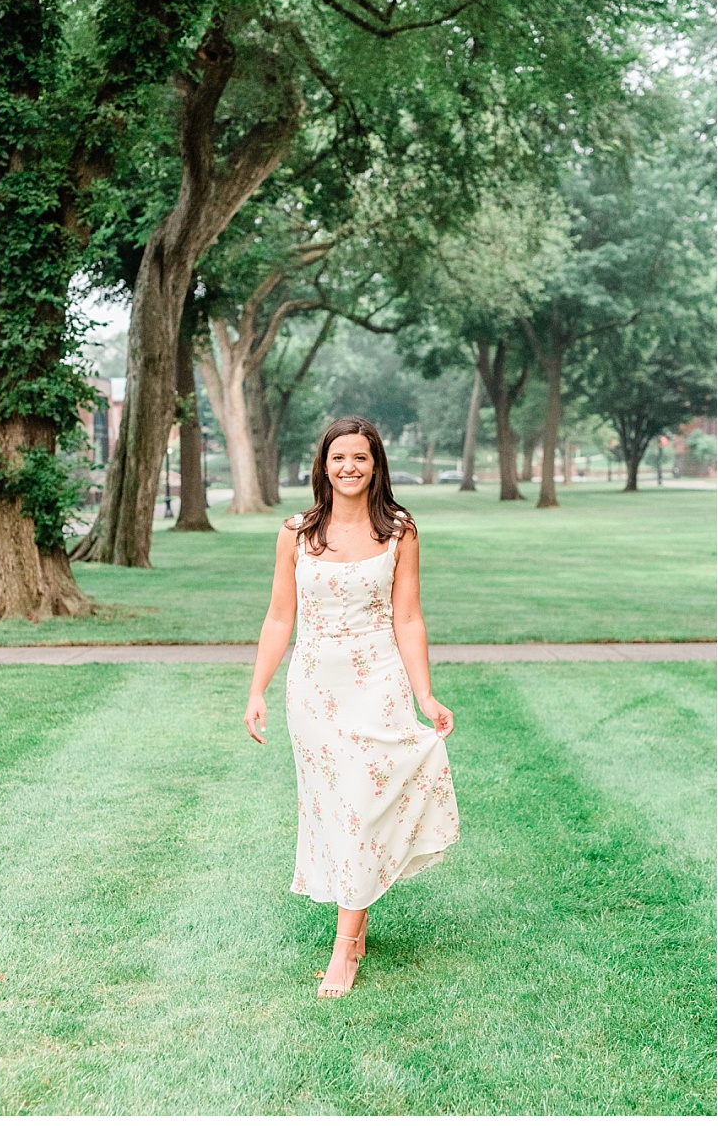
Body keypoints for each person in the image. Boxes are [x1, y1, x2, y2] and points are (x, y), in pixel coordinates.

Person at [245, 416, 461, 998]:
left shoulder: (399, 532)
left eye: (360, 458)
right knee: (334, 810)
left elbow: (408, 616)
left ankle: (344, 950)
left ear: (375, 465)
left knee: (365, 806)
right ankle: (355, 922)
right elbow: (279, 617)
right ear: (322, 464)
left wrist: (424, 694)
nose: (348, 467)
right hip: (313, 688)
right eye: (338, 457)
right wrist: (257, 689)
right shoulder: (296, 532)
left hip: (379, 683)